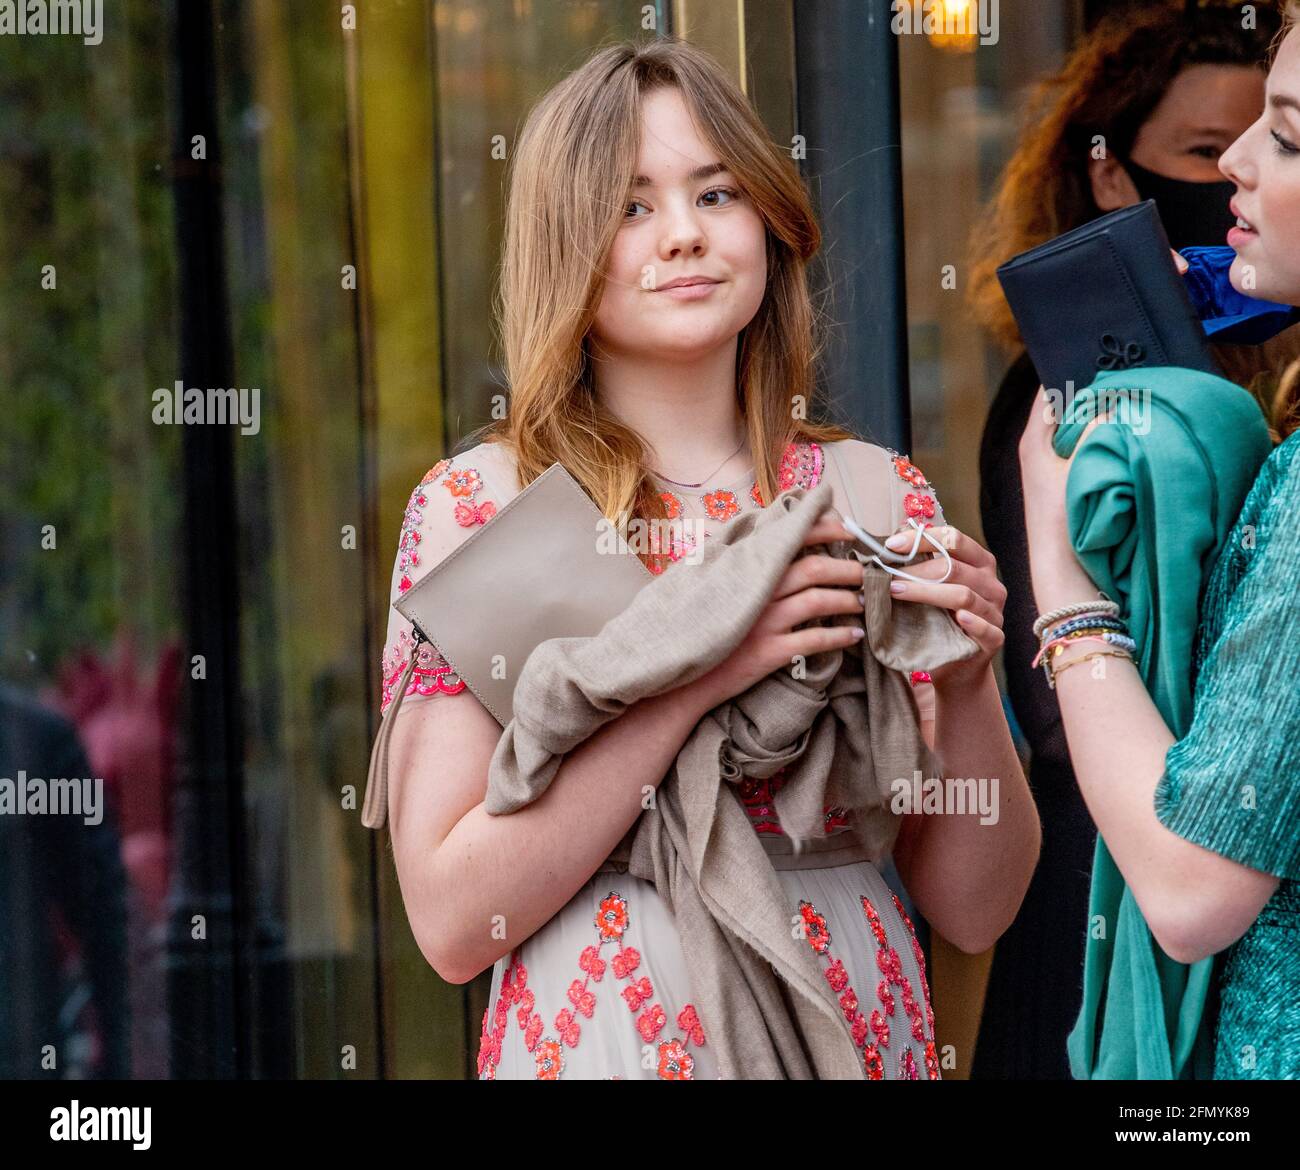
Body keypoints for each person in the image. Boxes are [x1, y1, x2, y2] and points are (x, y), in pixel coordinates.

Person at [372, 37, 1039, 1079]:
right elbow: (455, 924)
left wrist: (964, 686)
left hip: (851, 1020)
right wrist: (706, 673)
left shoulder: (870, 491)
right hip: (604, 1032)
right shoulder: (484, 506)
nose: (681, 234)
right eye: (631, 206)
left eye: (715, 193)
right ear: (563, 243)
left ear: (770, 223)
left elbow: (975, 905)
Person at [963, 0, 1287, 1079]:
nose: (1235, 165)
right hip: (1093, 883)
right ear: (1109, 175)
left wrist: (1063, 575)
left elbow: (1196, 883)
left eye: (1281, 135)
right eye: (1205, 147)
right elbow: (1057, 727)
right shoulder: (1074, 408)